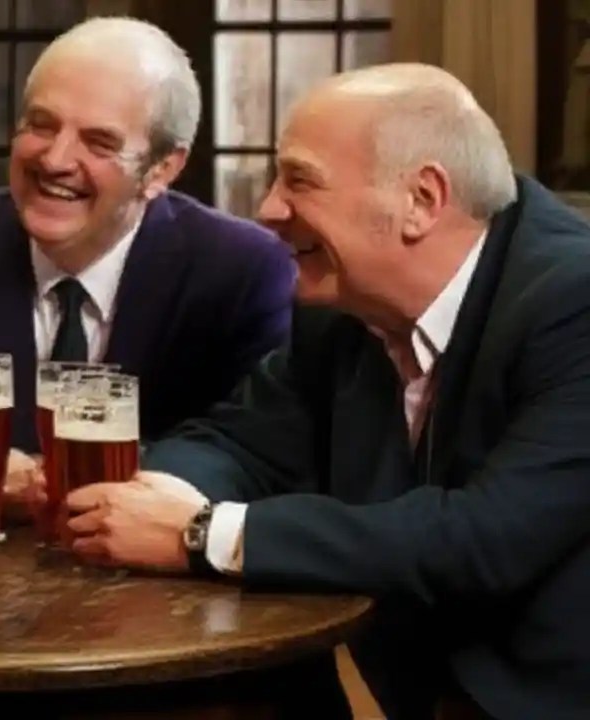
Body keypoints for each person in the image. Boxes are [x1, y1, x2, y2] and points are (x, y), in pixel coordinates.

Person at [65, 62, 590, 719]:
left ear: (421, 200)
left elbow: (485, 539)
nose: (268, 209)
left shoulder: (573, 299)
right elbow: (238, 440)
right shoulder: (338, 301)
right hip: (379, 686)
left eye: (300, 180)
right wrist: (154, 492)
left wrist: (203, 532)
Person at [0, 17, 294, 512]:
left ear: (162, 169)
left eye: (99, 142)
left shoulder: (241, 270)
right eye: (41, 125)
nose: (56, 159)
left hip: (153, 577)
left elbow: (256, 454)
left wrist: (50, 479)